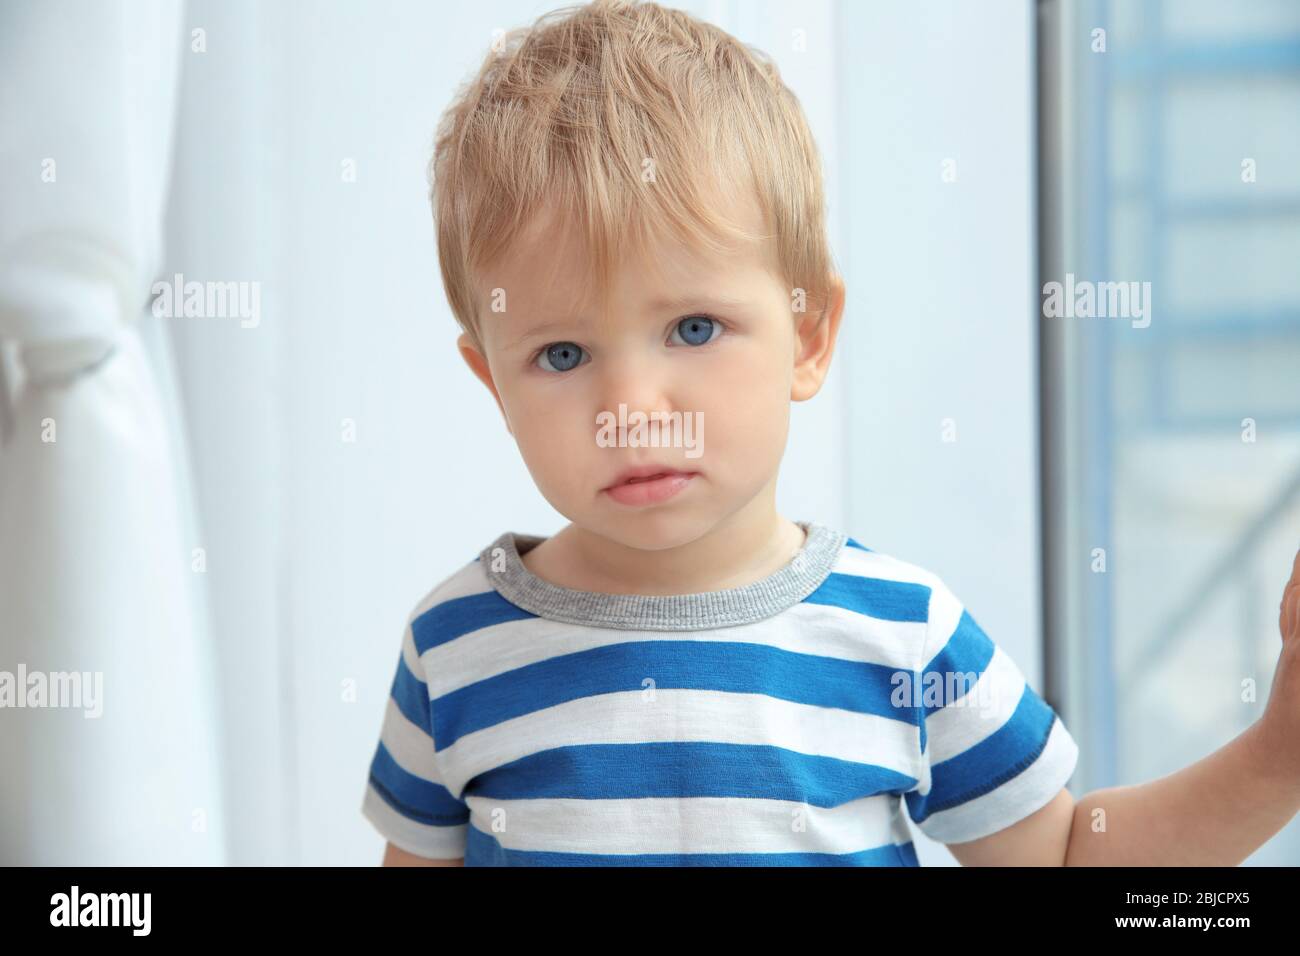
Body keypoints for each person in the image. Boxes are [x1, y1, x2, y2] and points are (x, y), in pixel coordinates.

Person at [361, 0, 1300, 866]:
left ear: (809, 338)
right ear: (491, 380)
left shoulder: (903, 638)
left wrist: (1278, 758)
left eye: (693, 329)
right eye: (563, 355)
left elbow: (1062, 859)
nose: (633, 408)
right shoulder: (453, 651)